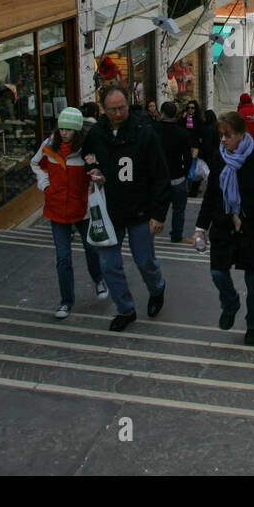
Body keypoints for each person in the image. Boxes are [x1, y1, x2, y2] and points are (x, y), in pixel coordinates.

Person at [81, 86, 170, 331]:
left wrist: (158, 214)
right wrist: (93, 169)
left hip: (140, 211)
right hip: (109, 212)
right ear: (104, 109)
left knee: (144, 261)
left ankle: (157, 287)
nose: (119, 113)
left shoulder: (145, 133)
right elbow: (86, 155)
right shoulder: (96, 133)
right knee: (109, 265)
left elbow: (161, 176)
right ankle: (125, 309)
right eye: (113, 109)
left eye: (122, 107)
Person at [194, 111, 254, 345]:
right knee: (217, 272)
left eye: (228, 135)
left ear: (241, 134)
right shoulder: (219, 157)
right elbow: (212, 195)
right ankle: (230, 303)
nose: (223, 140)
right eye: (221, 135)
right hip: (224, 226)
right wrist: (200, 227)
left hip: (253, 229)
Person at [30, 107, 108, 319]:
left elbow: (97, 170)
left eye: (69, 129)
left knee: (91, 249)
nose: (64, 133)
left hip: (82, 209)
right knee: (62, 258)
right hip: (56, 209)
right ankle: (66, 301)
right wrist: (45, 185)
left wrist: (97, 179)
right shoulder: (49, 145)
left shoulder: (86, 150)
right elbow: (36, 163)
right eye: (61, 128)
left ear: (77, 131)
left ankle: (98, 278)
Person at [153, 101, 194, 243]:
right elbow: (188, 158)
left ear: (161, 113)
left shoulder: (153, 130)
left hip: (157, 178)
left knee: (153, 206)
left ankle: (149, 232)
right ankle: (176, 235)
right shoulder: (182, 133)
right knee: (179, 209)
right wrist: (184, 172)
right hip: (177, 176)